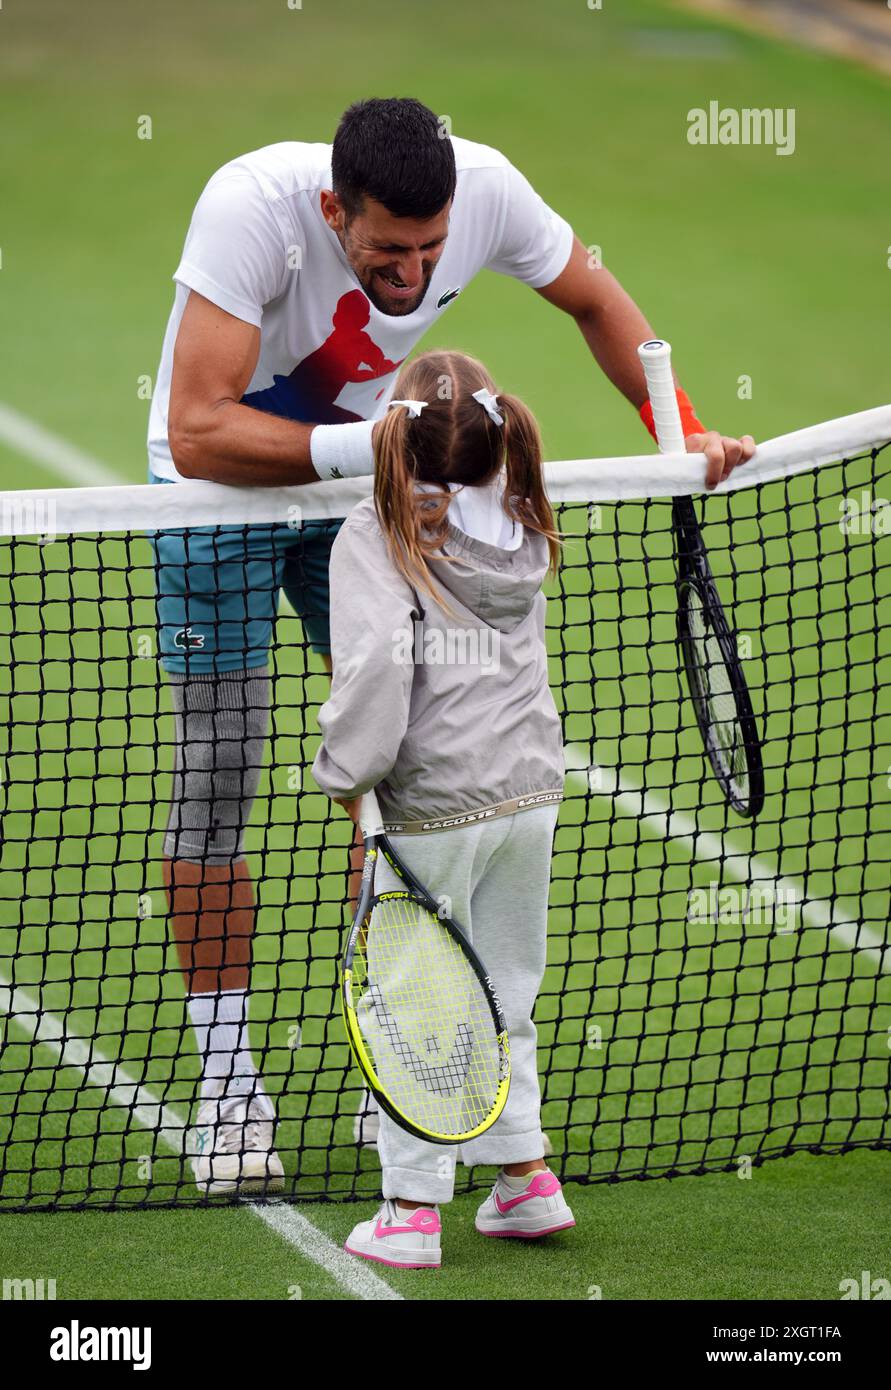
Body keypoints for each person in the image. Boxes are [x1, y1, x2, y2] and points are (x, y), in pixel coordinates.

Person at [150, 95, 754, 1191]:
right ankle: (230, 1089)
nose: (414, 273)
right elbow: (197, 424)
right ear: (335, 210)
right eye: (387, 249)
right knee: (220, 776)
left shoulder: (490, 188)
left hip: (358, 486)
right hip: (218, 493)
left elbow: (596, 297)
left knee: (404, 785)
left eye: (432, 250)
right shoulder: (247, 209)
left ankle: (389, 1065)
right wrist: (374, 444)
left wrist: (682, 432)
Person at [312, 349, 574, 1269]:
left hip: (430, 808)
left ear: (391, 429)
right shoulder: (523, 517)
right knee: (502, 989)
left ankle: (410, 1210)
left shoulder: (374, 533)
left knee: (417, 1001)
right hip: (528, 795)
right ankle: (523, 1182)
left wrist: (345, 770)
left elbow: (377, 669)